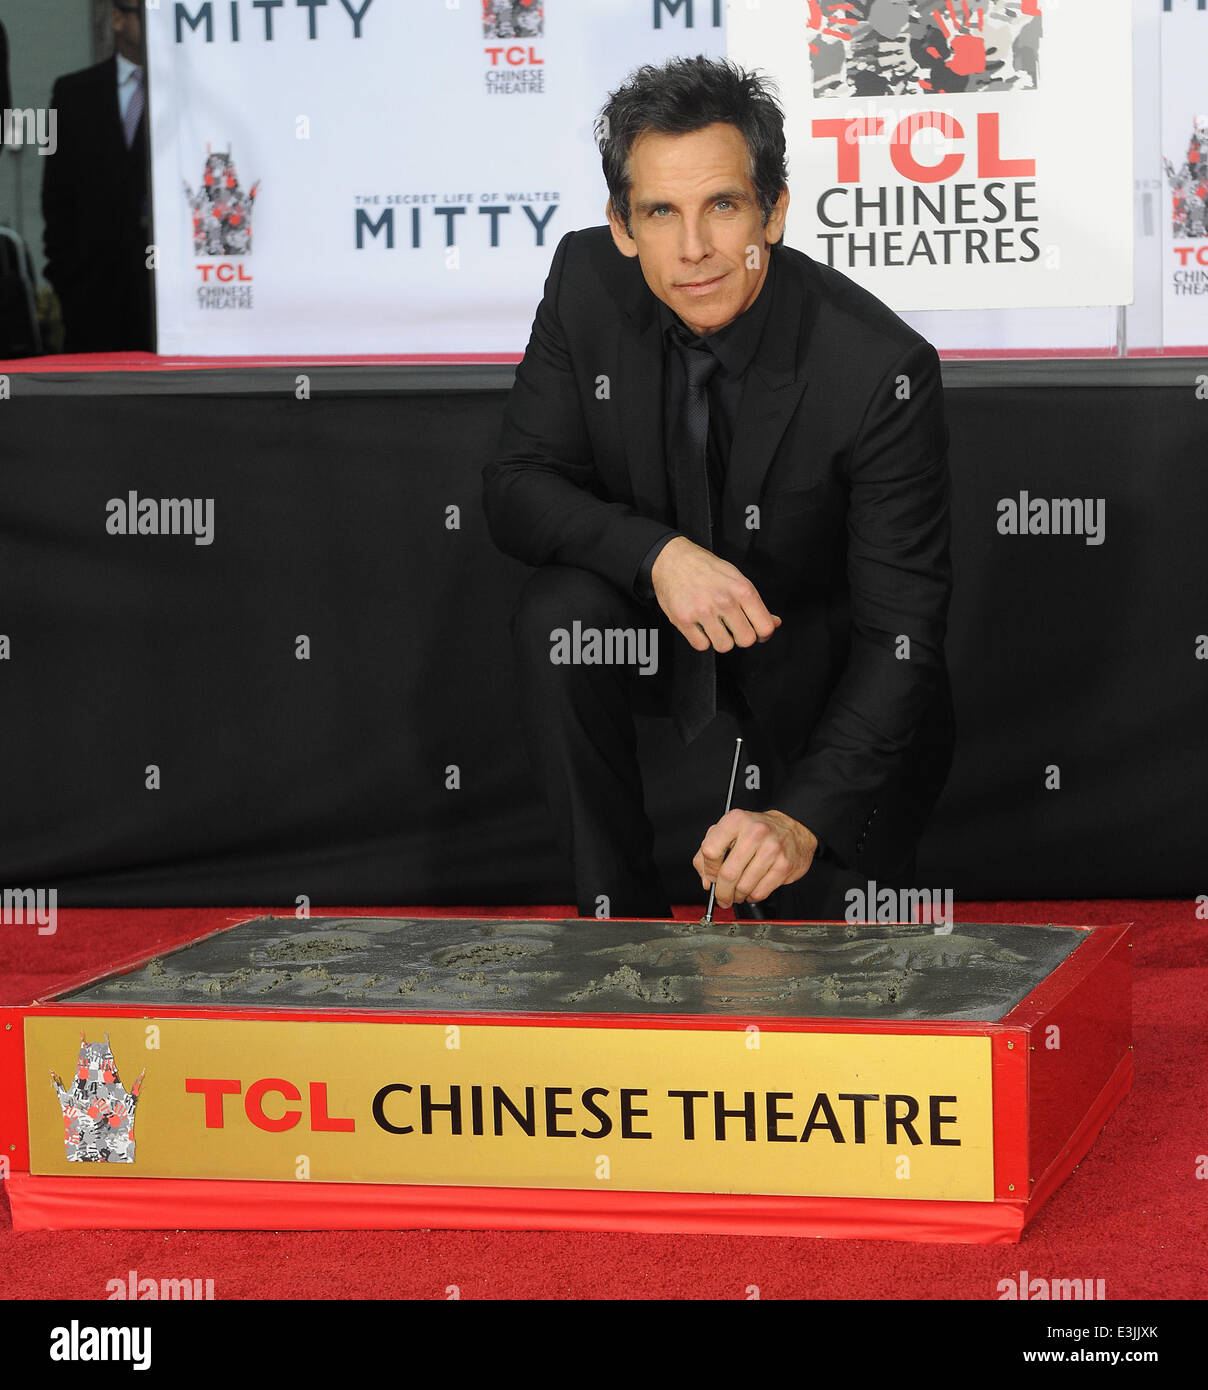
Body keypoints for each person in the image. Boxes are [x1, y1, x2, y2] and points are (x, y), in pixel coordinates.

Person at [482, 56, 955, 922]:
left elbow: (902, 638)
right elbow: (517, 487)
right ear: (622, 226)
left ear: (773, 212)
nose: (693, 249)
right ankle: (614, 924)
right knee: (559, 615)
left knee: (813, 993)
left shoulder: (879, 370)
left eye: (723, 206)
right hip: (653, 630)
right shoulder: (586, 283)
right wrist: (655, 555)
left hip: (822, 680)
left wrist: (799, 820)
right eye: (660, 212)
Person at [41, 1, 153, 353]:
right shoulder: (70, 93)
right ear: (118, 18)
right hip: (92, 292)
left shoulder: (182, 91)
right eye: (145, 13)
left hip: (161, 297)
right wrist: (64, 274)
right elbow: (54, 193)